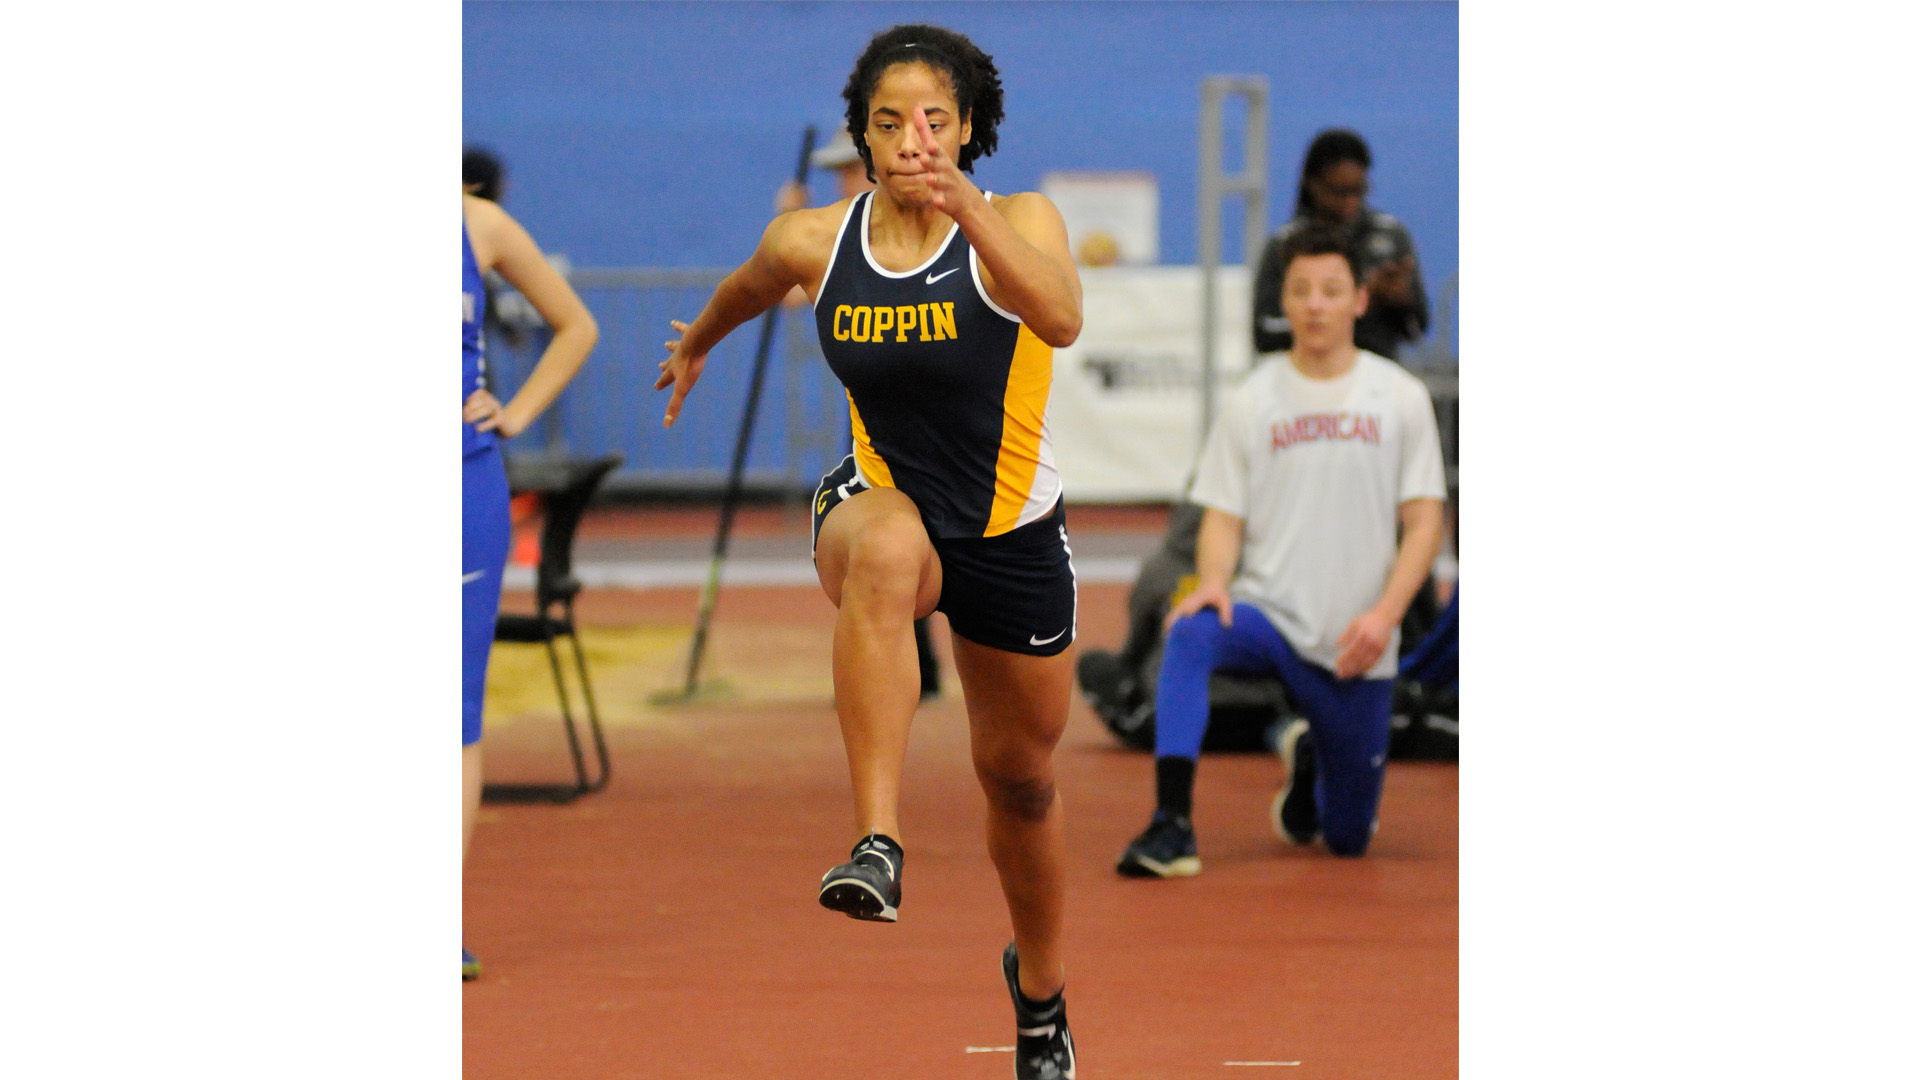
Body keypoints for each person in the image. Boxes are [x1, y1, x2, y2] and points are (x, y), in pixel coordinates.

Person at [655, 25, 1081, 1079]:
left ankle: (1041, 995)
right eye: (888, 122)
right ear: (862, 134)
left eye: (932, 119)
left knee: (1020, 780)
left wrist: (966, 208)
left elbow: (1063, 317)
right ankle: (877, 845)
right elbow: (753, 283)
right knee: (885, 552)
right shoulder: (818, 240)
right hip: (880, 499)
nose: (910, 139)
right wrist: (697, 342)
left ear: (968, 126)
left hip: (1007, 529)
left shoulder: (1018, 216)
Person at [1115, 222, 1445, 878]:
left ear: (1358, 300)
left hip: (1355, 643)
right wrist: (1212, 578)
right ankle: (1171, 823)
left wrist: (1383, 618)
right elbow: (1222, 516)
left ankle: (1315, 764)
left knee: (1346, 839)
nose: (1315, 304)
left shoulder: (1400, 399)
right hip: (1266, 616)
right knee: (1191, 632)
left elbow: (1425, 523)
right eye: (1301, 290)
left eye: (1330, 289)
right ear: (1285, 304)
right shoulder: (1251, 400)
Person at [462, 189, 599, 979]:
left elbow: (577, 325)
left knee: (455, 715)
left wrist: (512, 412)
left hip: (463, 486)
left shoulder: (475, 222)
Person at [778, 128, 946, 700]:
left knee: (929, 544)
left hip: (942, 431)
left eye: (848, 171)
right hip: (880, 430)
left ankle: (928, 662)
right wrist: (788, 227)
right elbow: (789, 294)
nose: (842, 183)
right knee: (889, 546)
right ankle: (909, 665)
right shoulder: (838, 240)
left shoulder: (914, 232)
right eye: (838, 174)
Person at [1251, 129, 1430, 361]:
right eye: (1339, 192)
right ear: (1312, 184)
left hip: (1379, 378)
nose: (1350, 202)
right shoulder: (1287, 246)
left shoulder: (1390, 235)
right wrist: (1358, 300)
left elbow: (1418, 328)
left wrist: (1403, 301)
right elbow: (1264, 333)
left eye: (1359, 191)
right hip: (1307, 380)